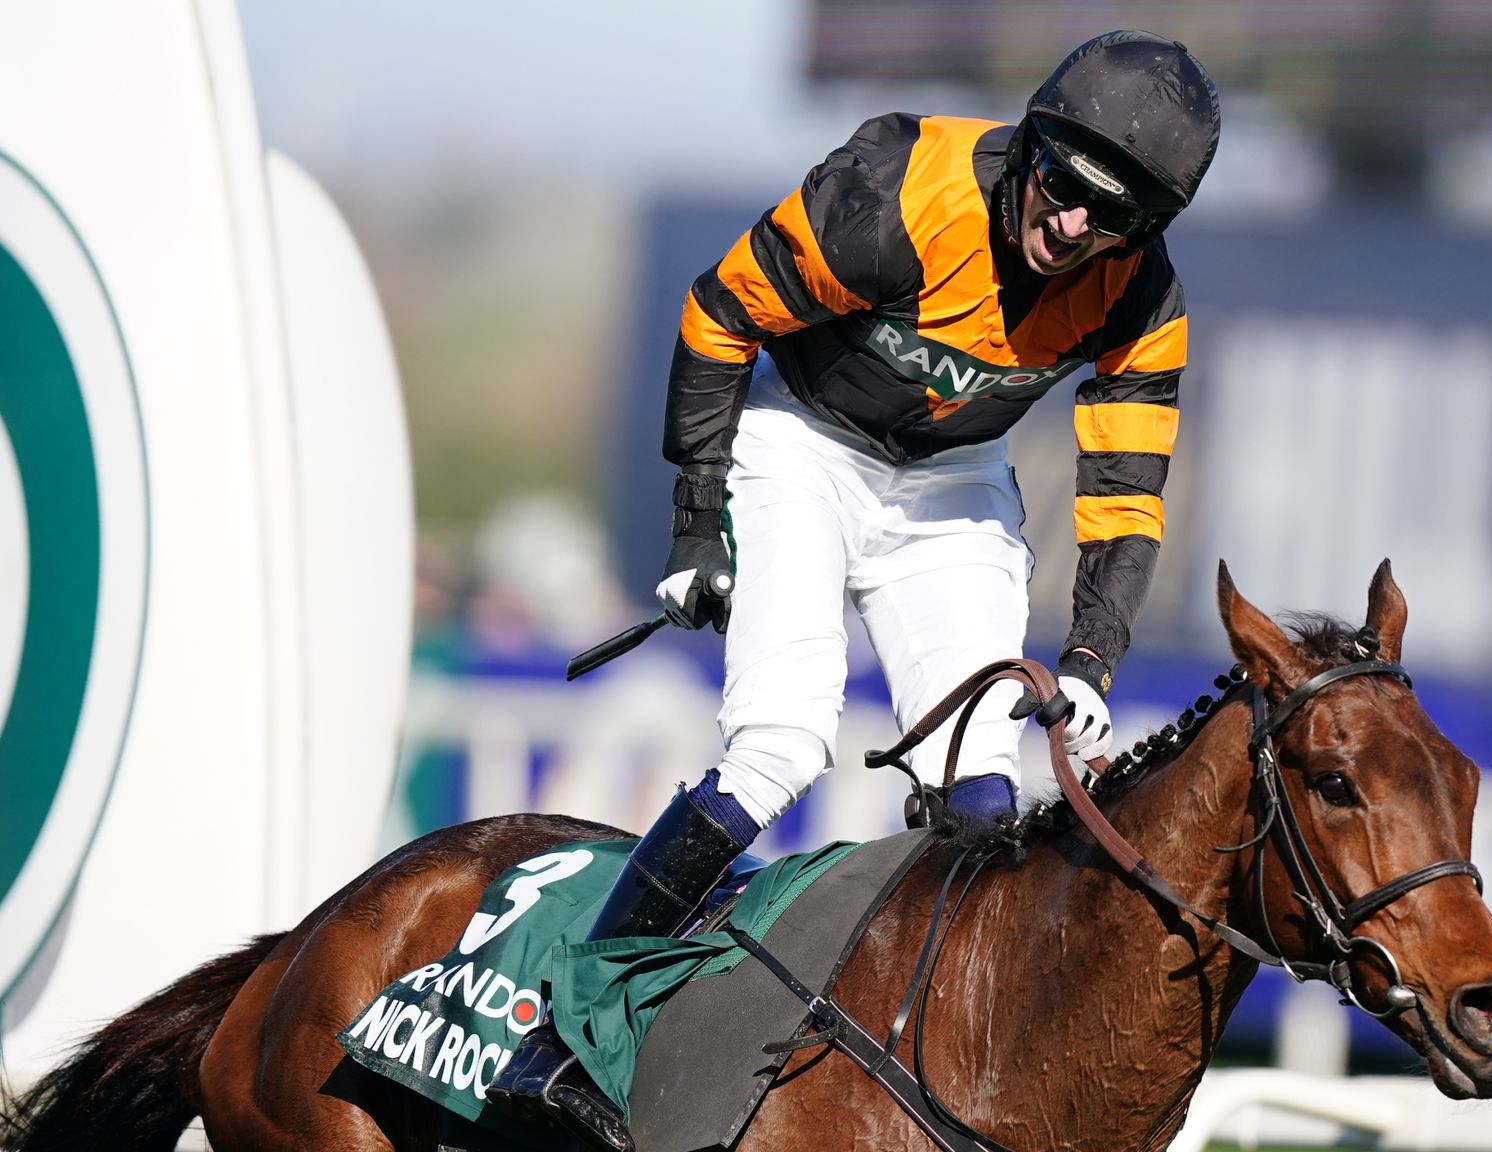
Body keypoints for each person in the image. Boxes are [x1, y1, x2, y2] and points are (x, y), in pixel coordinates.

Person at [489, 29, 1220, 1151]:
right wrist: (696, 526)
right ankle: (562, 1037)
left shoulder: (1139, 294)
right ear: (1030, 143)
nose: (1072, 229)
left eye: (1109, 220)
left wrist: (1089, 661)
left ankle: (930, 1072)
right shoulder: (896, 193)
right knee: (780, 747)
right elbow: (715, 315)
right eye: (1065, 190)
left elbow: (1124, 491)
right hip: (802, 441)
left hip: (952, 481)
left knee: (979, 786)